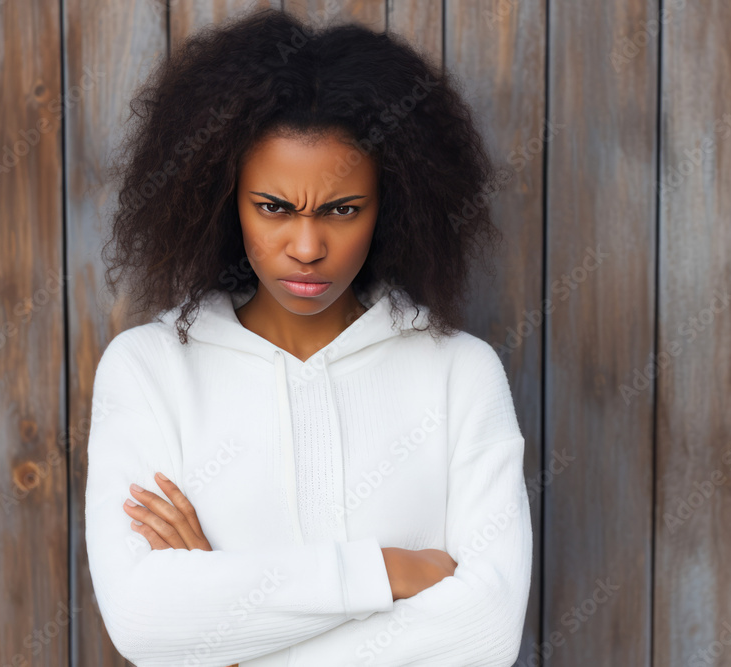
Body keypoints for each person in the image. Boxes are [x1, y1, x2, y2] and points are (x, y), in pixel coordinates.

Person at [85, 7, 532, 666]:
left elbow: (486, 634)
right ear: (224, 198)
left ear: (391, 204)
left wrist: (231, 635)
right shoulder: (149, 370)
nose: (306, 246)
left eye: (341, 210)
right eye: (274, 207)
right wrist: (388, 572)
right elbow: (144, 619)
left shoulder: (460, 374)